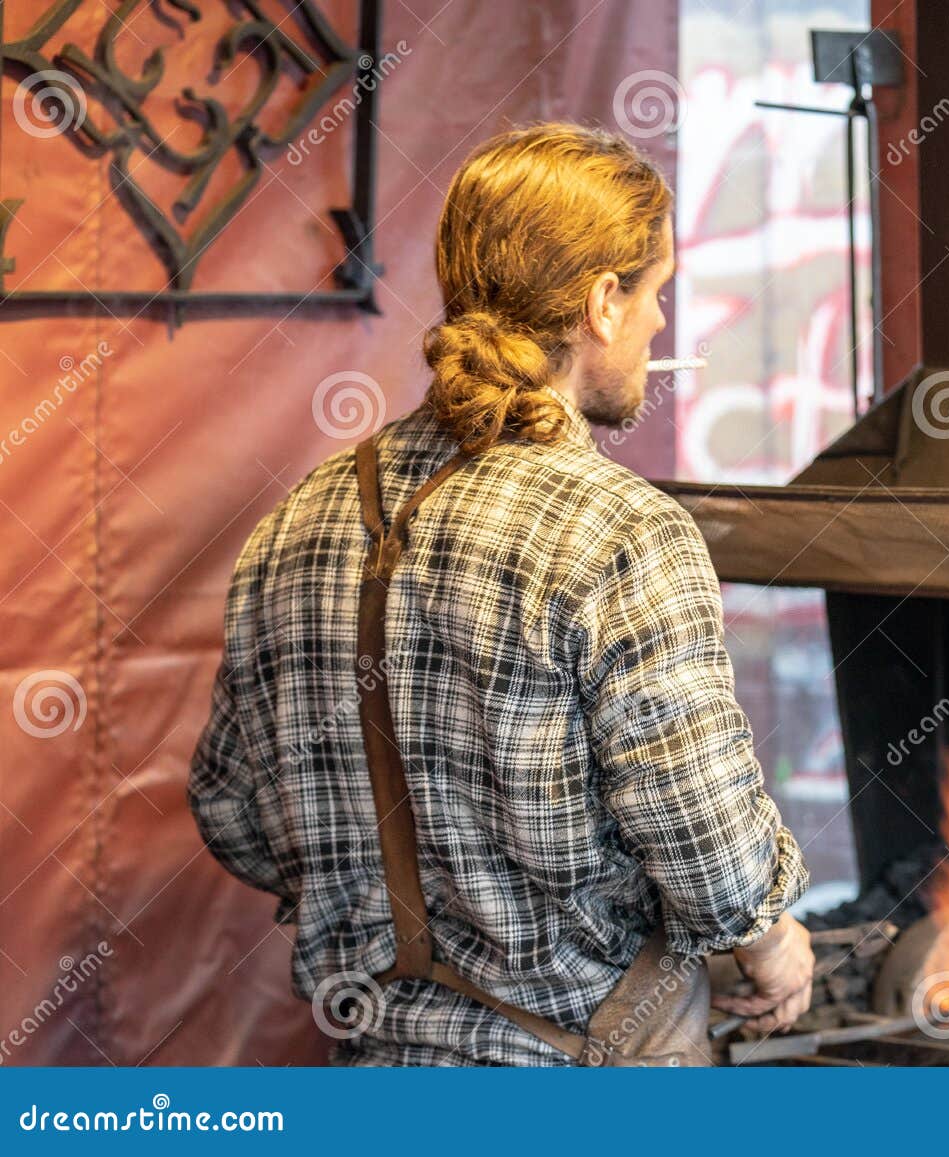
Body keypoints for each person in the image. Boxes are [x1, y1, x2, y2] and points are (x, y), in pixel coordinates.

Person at [190, 123, 812, 1066]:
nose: (658, 324)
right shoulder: (624, 531)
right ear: (604, 301)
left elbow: (231, 808)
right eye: (657, 294)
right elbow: (711, 854)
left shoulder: (298, 521)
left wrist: (383, 890)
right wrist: (774, 945)